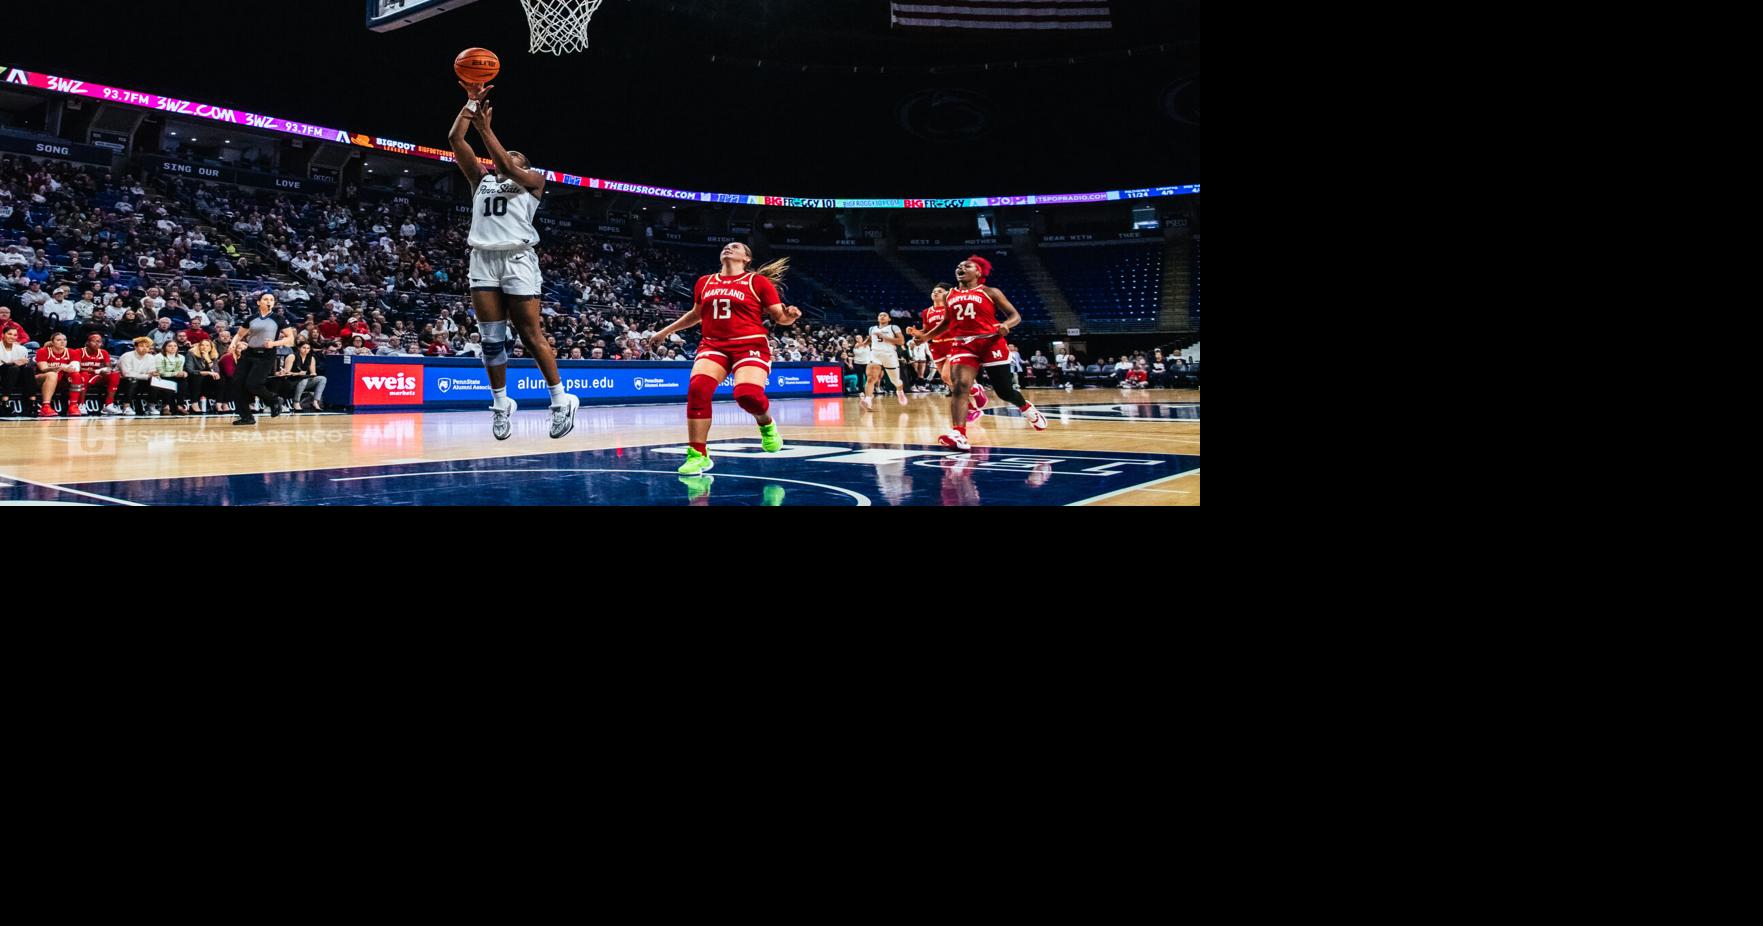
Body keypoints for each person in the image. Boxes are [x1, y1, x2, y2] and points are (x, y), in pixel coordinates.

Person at [449, 81, 577, 441]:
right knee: (490, 340)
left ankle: (559, 400)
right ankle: (502, 403)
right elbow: (456, 141)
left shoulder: (533, 181)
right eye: (508, 156)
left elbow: (504, 160)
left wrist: (487, 130)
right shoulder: (482, 181)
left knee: (530, 333)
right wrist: (470, 104)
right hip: (483, 259)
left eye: (516, 157)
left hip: (518, 259)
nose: (509, 159)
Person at [645, 242, 801, 476]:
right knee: (698, 389)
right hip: (713, 344)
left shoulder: (758, 282)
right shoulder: (704, 281)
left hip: (750, 344)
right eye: (726, 246)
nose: (728, 248)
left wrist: (790, 317)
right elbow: (696, 315)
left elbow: (779, 317)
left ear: (746, 258)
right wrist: (664, 332)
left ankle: (766, 424)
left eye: (735, 246)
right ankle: (698, 455)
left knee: (747, 395)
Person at [908, 255, 1048, 451]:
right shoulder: (950, 296)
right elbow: (947, 323)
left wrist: (1006, 325)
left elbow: (1015, 316)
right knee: (959, 386)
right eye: (959, 266)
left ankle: (1026, 408)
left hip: (991, 342)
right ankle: (959, 433)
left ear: (978, 272)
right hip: (963, 344)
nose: (961, 268)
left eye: (967, 266)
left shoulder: (990, 292)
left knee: (1004, 391)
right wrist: (926, 336)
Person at [227, 291, 295, 425]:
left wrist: (274, 343)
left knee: (253, 384)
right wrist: (232, 344)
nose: (269, 301)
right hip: (249, 353)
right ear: (259, 302)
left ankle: (274, 398)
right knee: (236, 384)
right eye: (265, 299)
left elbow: (290, 339)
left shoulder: (279, 319)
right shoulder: (251, 318)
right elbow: (239, 335)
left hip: (266, 355)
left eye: (271, 299)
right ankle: (246, 417)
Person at [862, 311, 908, 410]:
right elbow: (871, 339)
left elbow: (901, 341)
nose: (882, 316)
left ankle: (899, 391)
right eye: (880, 315)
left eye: (885, 315)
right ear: (878, 318)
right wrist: (864, 343)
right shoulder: (872, 329)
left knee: (895, 380)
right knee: (870, 378)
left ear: (889, 319)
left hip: (889, 355)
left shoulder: (893, 327)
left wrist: (885, 338)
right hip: (875, 354)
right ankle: (868, 400)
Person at [74, 332, 123, 415]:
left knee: (115, 374)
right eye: (94, 341)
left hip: (97, 376)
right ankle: (80, 405)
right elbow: (77, 368)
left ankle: (108, 405)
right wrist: (95, 371)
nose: (97, 343)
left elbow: (109, 367)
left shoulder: (103, 352)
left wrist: (105, 370)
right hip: (84, 376)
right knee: (84, 374)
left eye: (99, 341)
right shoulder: (78, 351)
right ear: (87, 343)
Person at [33, 332, 76, 417]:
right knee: (52, 375)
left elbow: (74, 368)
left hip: (61, 380)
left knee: (76, 375)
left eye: (64, 340)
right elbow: (43, 369)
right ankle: (45, 406)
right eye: (59, 340)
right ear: (52, 342)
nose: (62, 342)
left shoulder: (71, 352)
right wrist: (60, 367)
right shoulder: (43, 351)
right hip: (41, 378)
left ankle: (75, 405)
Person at [282, 339, 327, 411]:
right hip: (292, 381)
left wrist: (313, 374)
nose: (306, 350)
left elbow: (313, 373)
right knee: (304, 381)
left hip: (305, 379)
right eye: (304, 348)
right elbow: (286, 373)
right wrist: (298, 373)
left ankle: (315, 401)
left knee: (322, 378)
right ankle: (296, 402)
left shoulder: (311, 358)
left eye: (308, 348)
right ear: (299, 348)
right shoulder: (292, 356)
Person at [118, 337, 158, 415]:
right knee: (132, 380)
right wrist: (146, 376)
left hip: (142, 381)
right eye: (142, 346)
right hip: (124, 381)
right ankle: (126, 406)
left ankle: (151, 406)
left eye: (147, 346)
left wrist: (153, 374)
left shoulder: (151, 357)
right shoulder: (127, 356)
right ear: (135, 347)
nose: (144, 348)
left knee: (155, 380)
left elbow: (151, 371)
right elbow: (127, 374)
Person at [0, 326, 34, 413]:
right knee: (13, 368)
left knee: (28, 368)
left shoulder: (22, 349)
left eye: (15, 335)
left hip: (18, 375)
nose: (12, 337)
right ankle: (4, 401)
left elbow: (23, 363)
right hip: (2, 375)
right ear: (3, 335)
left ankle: (32, 402)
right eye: (9, 334)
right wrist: (13, 362)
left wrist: (23, 362)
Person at [185, 338, 223, 413]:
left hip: (206, 380)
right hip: (193, 378)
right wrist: (207, 373)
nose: (204, 347)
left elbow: (216, 371)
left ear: (211, 348)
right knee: (198, 377)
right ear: (199, 346)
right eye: (202, 345)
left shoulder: (213, 355)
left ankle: (218, 404)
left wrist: (208, 359)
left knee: (221, 378)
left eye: (207, 345)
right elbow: (190, 370)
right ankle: (194, 404)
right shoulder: (191, 353)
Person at [152, 340, 190, 415]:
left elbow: (179, 370)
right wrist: (176, 373)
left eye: (175, 346)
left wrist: (183, 373)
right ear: (164, 347)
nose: (173, 348)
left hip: (174, 377)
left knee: (183, 381)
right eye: (170, 346)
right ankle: (166, 406)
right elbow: (161, 372)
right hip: (161, 377)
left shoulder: (181, 357)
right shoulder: (159, 357)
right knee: (168, 381)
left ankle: (180, 406)